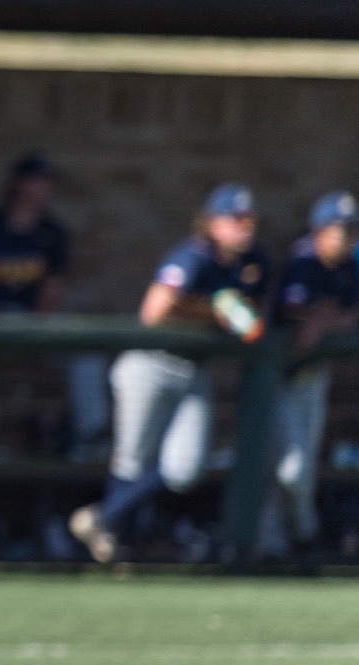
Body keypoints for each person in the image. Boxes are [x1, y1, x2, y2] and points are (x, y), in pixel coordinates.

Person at [69, 183, 271, 564]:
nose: (244, 227)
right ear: (212, 223)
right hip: (151, 363)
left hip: (192, 369)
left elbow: (254, 317)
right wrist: (212, 311)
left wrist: (237, 314)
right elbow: (153, 314)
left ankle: (102, 518)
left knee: (186, 468)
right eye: (235, 220)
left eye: (249, 220)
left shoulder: (252, 264)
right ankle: (116, 546)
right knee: (131, 459)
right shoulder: (192, 256)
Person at [0, 153, 108, 461]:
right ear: (19, 184)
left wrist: (36, 324)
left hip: (35, 320)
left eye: (48, 183)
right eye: (38, 181)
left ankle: (89, 437)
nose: (44, 189)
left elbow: (52, 288)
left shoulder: (53, 233)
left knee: (88, 349)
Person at [256, 191, 359, 558]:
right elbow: (297, 317)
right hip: (276, 377)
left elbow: (353, 314)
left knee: (296, 470)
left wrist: (325, 319)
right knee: (286, 469)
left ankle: (285, 545)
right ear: (320, 230)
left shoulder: (348, 266)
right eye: (342, 229)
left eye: (353, 231)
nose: (349, 238)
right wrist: (323, 318)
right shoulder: (304, 260)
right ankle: (298, 536)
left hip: (312, 378)